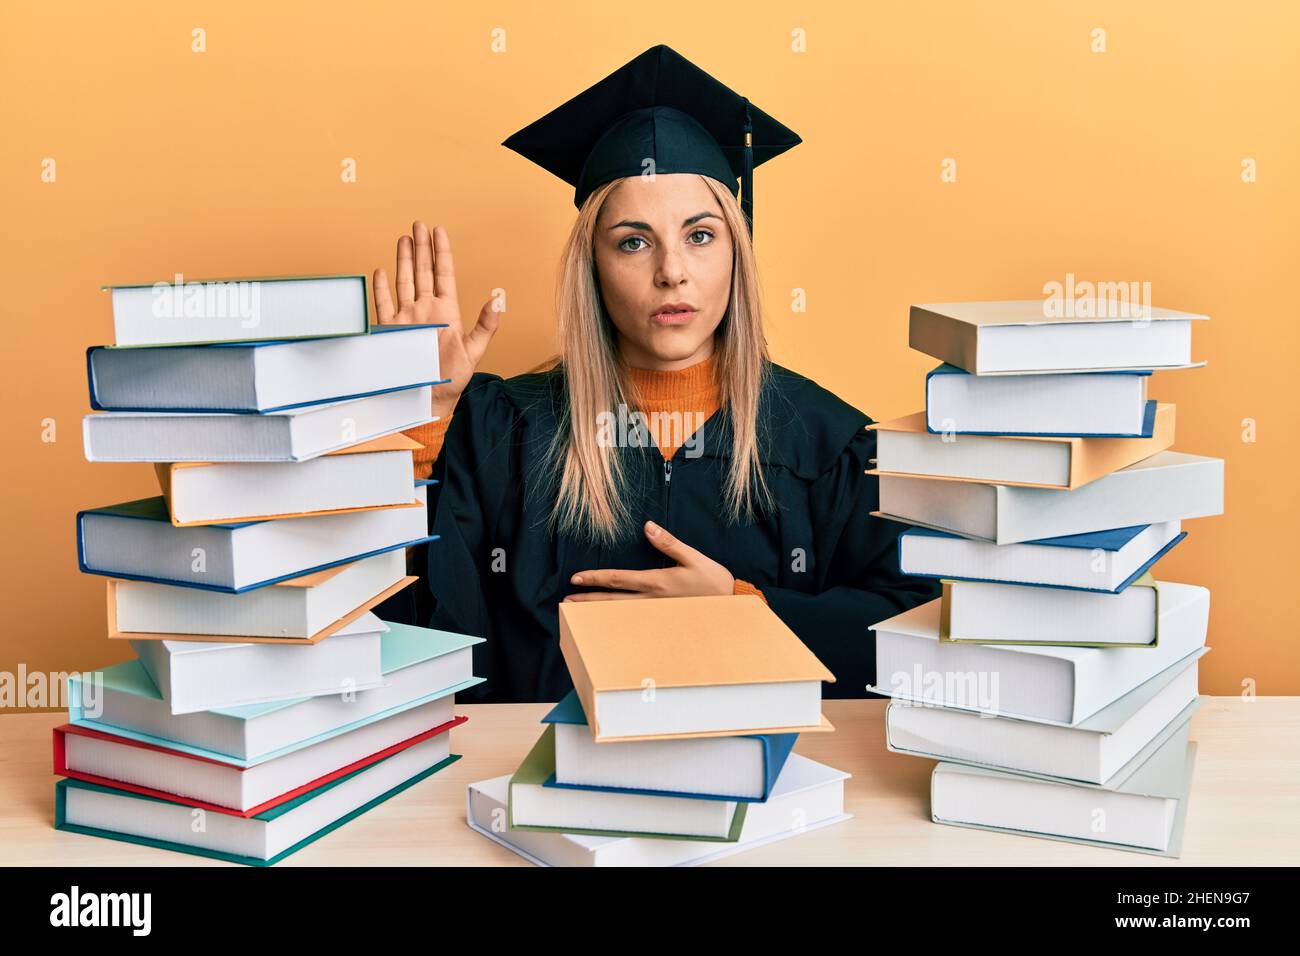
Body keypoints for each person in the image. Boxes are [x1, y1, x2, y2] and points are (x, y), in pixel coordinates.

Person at [372, 45, 940, 703]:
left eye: (700, 235)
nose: (672, 270)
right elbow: (409, 641)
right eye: (633, 241)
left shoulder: (825, 439)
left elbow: (911, 634)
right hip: (537, 789)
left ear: (736, 253)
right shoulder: (503, 431)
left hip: (764, 790)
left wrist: (743, 607)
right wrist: (424, 421)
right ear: (593, 264)